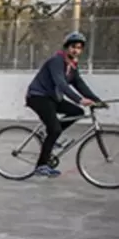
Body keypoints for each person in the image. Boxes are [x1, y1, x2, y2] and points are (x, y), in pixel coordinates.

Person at [25, 31, 106, 178]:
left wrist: (98, 100)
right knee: (55, 129)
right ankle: (41, 166)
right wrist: (79, 100)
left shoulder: (72, 66)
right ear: (66, 47)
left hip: (52, 98)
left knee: (77, 112)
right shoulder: (57, 61)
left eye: (79, 48)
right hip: (38, 97)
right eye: (73, 47)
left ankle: (50, 134)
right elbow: (61, 84)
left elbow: (80, 85)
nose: (76, 50)